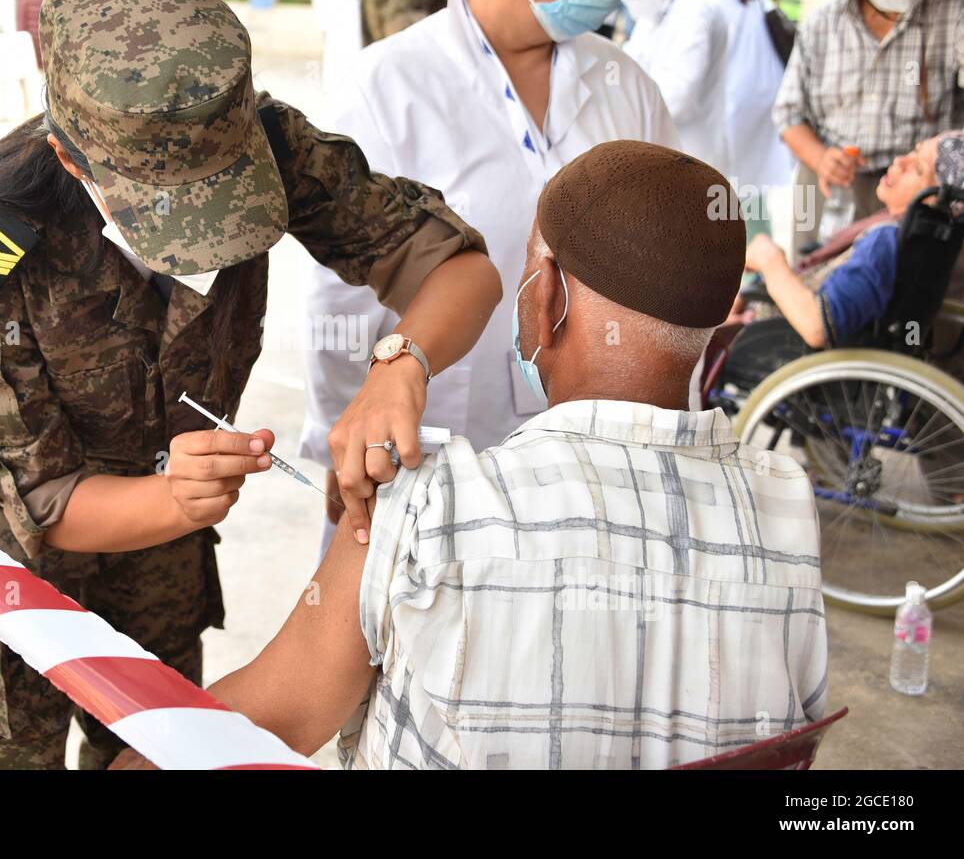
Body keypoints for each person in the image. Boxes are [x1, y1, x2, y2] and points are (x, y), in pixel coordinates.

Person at [0, 0, 500, 770]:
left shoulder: (273, 145)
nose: (204, 244)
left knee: (157, 742)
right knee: (9, 754)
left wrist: (399, 367)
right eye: (173, 212)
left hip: (161, 534)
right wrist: (176, 498)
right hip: (9, 547)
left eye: (226, 198)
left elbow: (460, 268)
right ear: (76, 160)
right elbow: (40, 497)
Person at [117, 142, 828, 770]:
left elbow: (268, 718)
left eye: (527, 268)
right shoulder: (785, 509)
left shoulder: (431, 500)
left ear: (546, 294)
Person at [302, 0, 678, 555]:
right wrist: (355, 446)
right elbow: (339, 305)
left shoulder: (627, 86)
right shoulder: (389, 87)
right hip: (436, 458)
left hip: (594, 467)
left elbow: (666, 267)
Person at [772, 0, 964, 252]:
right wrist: (821, 158)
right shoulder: (821, 27)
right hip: (838, 200)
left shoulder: (955, 6)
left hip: (925, 202)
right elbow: (787, 114)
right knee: (833, 291)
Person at [739, 131, 963, 351]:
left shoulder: (885, 243)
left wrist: (770, 260)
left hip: (783, 352)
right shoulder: (917, 243)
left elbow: (818, 327)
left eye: (917, 169)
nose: (900, 161)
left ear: (939, 201)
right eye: (914, 151)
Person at [648, 0, 792, 217]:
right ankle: (757, 256)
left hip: (732, 95)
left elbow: (683, 79)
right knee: (748, 194)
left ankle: (751, 256)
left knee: (728, 201)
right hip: (760, 87)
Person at [621, 0, 731, 173]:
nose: (629, 1)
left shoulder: (695, 7)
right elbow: (631, 57)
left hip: (692, 150)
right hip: (665, 146)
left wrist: (623, 114)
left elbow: (679, 97)